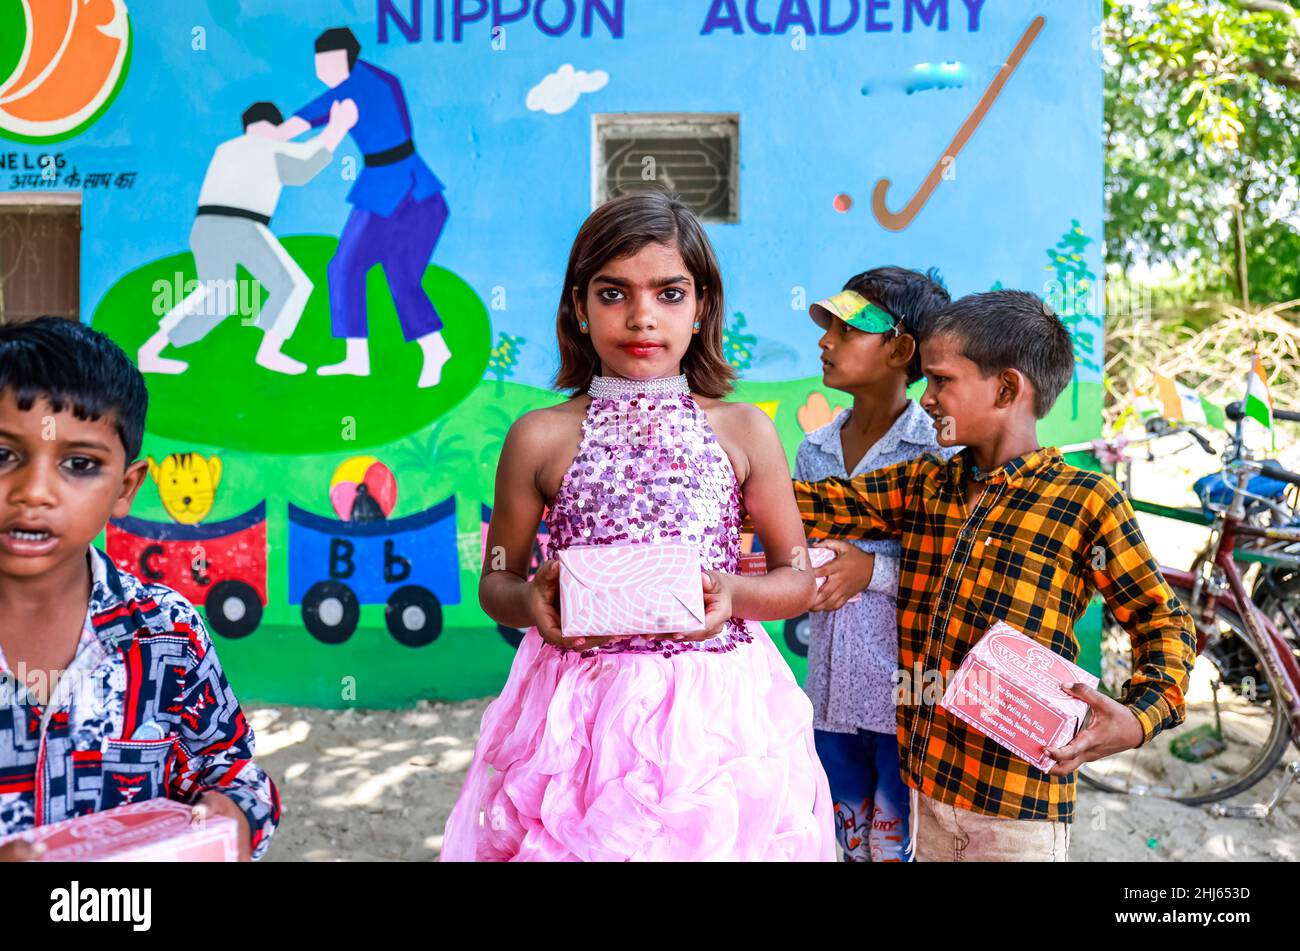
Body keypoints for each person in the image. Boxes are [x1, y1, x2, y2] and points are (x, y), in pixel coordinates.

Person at [441, 191, 835, 861]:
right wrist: (531, 599)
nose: (642, 316)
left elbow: (797, 578)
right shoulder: (538, 436)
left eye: (669, 293)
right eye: (613, 293)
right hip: (578, 718)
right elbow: (496, 579)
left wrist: (735, 595)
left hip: (715, 718)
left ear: (701, 304)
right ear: (578, 305)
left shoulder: (743, 429)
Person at [792, 290, 1197, 861]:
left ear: (1006, 389)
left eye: (940, 381)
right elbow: (812, 504)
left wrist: (1139, 715)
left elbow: (1163, 620)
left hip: (1018, 810)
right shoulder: (924, 485)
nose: (926, 398)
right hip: (926, 792)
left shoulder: (1085, 502)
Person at [0, 317, 280, 862]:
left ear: (125, 488)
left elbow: (233, 770)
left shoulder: (165, 633)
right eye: (3, 455)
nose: (33, 493)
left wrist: (233, 814)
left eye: (79, 465)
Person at [794, 267, 957, 861]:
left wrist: (873, 571)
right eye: (827, 327)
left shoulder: (939, 450)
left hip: (904, 701)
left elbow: (955, 569)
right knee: (845, 840)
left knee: (896, 845)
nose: (825, 341)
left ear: (900, 348)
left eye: (845, 329)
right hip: (828, 696)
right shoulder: (813, 451)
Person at [272, 27, 453, 388]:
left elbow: (294, 127)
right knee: (361, 268)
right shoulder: (376, 78)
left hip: (398, 190)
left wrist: (265, 137)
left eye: (327, 64)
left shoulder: (355, 90)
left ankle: (420, 352)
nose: (321, 72)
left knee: (357, 267)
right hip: (409, 190)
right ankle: (395, 353)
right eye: (318, 64)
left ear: (345, 59)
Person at [137, 98, 357, 376]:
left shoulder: (227, 148)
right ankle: (270, 351)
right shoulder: (268, 147)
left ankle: (150, 351)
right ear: (274, 126)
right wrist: (338, 127)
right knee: (292, 284)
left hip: (205, 226)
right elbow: (304, 166)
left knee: (217, 297)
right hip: (241, 226)